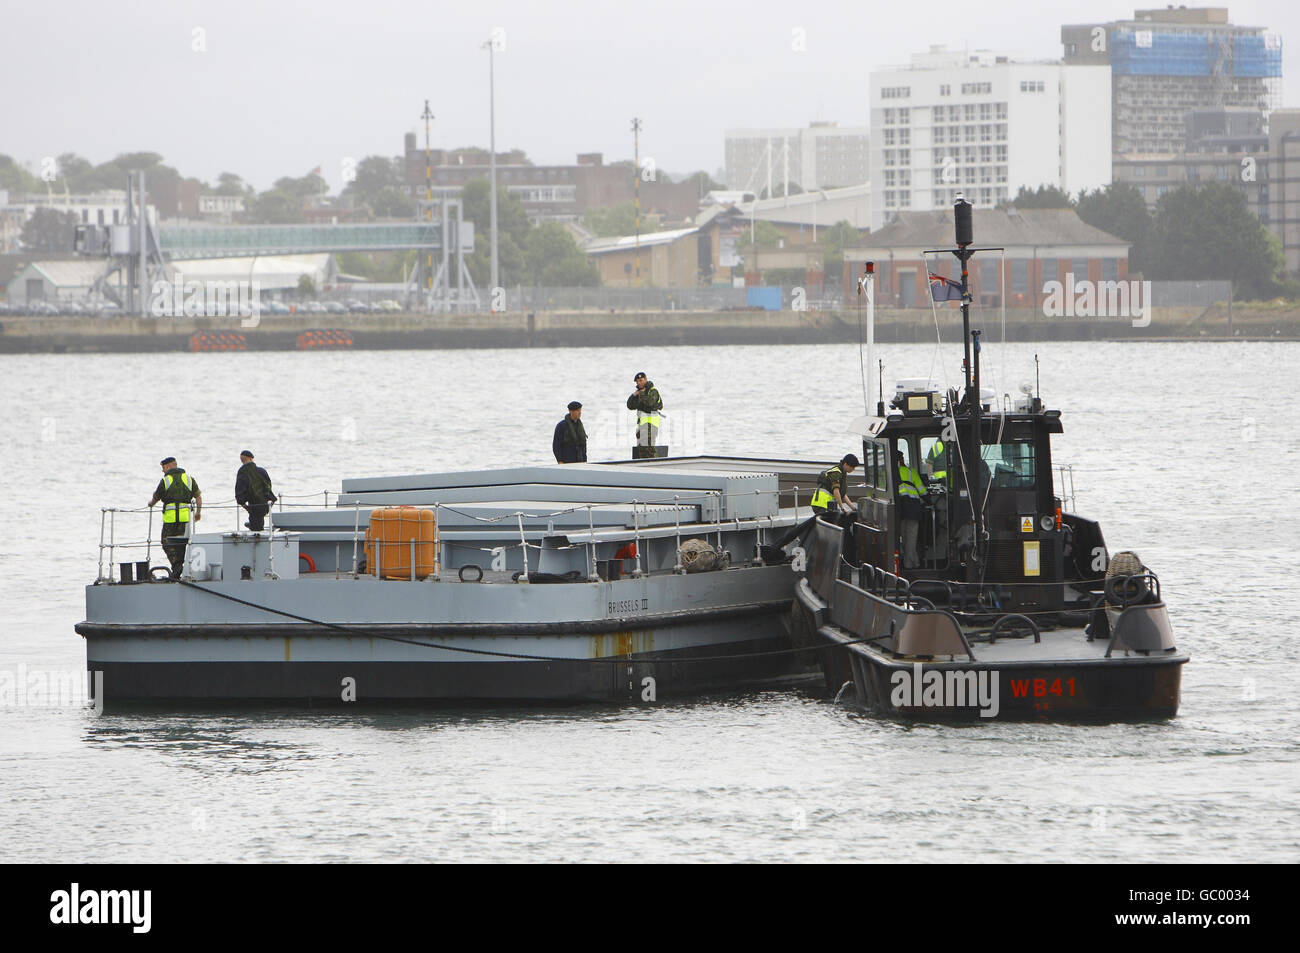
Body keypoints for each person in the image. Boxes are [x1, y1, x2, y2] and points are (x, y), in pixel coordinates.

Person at [147, 457, 202, 580]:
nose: (163, 471)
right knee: (181, 544)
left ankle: (176, 567)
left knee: (166, 543)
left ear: (170, 466)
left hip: (170, 519)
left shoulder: (166, 480)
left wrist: (150, 504)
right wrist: (198, 513)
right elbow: (198, 497)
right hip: (185, 519)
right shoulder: (189, 479)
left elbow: (156, 497)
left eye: (163, 467)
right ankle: (178, 570)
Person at [896, 450, 926, 568]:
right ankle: (910, 563)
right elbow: (922, 490)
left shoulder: (888, 473)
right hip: (913, 508)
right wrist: (928, 500)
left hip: (899, 509)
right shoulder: (911, 472)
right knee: (911, 538)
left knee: (903, 536)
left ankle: (912, 561)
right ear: (902, 460)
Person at [235, 450, 276, 531]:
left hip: (253, 505)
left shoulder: (242, 472)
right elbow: (268, 486)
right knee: (259, 522)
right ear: (251, 458)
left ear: (241, 460)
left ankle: (256, 537)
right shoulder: (262, 471)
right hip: (266, 503)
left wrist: (246, 507)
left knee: (255, 525)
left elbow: (239, 493)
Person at [810, 454, 860, 518]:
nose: (853, 469)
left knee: (835, 518)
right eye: (852, 467)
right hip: (821, 503)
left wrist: (853, 508)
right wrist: (842, 508)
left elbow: (843, 494)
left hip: (826, 504)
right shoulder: (836, 473)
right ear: (845, 464)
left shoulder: (842, 473)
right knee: (831, 521)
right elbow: (836, 491)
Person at [626, 371, 663, 453]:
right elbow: (630, 406)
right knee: (641, 449)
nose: (639, 383)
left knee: (648, 448)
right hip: (641, 425)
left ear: (646, 379)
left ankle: (653, 463)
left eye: (641, 380)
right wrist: (634, 395)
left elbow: (649, 403)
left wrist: (642, 392)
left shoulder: (653, 391)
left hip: (651, 424)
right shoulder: (639, 392)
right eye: (637, 381)